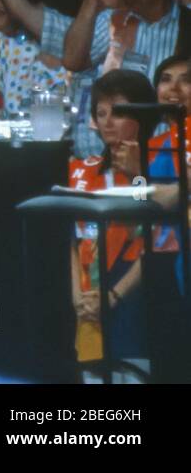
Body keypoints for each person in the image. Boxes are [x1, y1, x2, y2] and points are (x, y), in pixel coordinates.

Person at [68, 70, 157, 382]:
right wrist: (79, 295)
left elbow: (158, 241)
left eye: (118, 111)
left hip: (136, 301)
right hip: (86, 303)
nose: (106, 121)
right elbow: (70, 241)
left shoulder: (165, 171)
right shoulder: (79, 171)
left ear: (144, 114)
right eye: (101, 112)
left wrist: (114, 296)